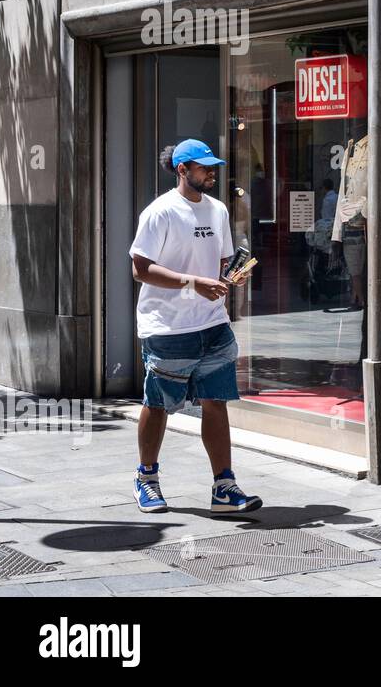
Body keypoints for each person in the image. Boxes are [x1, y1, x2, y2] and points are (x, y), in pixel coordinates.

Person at [129, 139, 263, 514]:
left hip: (213, 323)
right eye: (203, 167)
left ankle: (224, 485)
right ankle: (146, 478)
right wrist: (194, 283)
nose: (211, 172)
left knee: (216, 402)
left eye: (213, 166)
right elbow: (140, 269)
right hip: (168, 327)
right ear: (181, 170)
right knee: (158, 404)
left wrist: (230, 277)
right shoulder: (160, 212)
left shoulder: (218, 210)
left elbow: (220, 261)